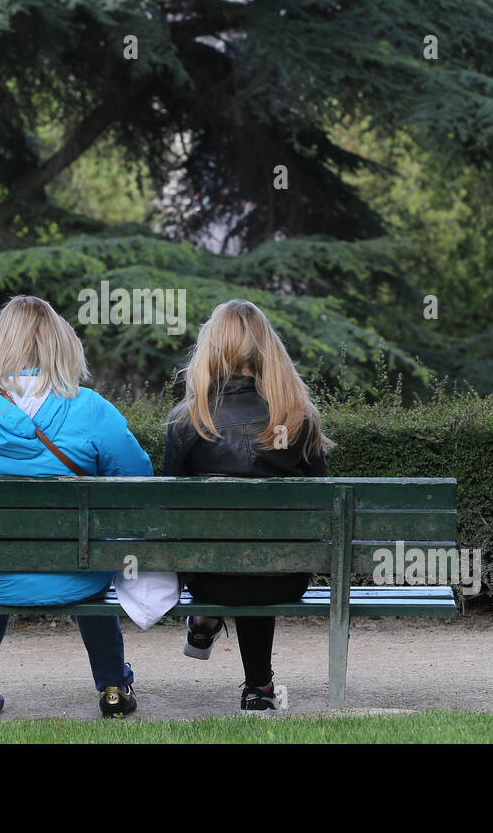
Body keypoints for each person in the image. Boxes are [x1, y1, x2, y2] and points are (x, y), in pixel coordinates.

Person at [0, 295, 153, 721]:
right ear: (62, 345)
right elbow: (140, 480)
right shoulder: (91, 409)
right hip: (79, 573)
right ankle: (113, 686)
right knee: (93, 558)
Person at [163, 299, 334, 711]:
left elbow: (167, 508)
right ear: (269, 352)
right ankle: (258, 689)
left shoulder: (189, 419)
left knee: (233, 554)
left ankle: (205, 618)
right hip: (285, 577)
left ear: (213, 350)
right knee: (262, 550)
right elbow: (324, 496)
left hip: (210, 579)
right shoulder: (297, 418)